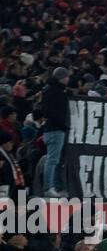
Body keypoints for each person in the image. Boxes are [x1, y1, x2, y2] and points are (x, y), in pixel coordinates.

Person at [39, 66, 70, 196]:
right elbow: (51, 111)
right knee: (52, 160)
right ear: (62, 77)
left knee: (57, 160)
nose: (68, 79)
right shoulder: (53, 91)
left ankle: (56, 186)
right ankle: (49, 187)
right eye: (67, 76)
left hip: (55, 129)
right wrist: (63, 123)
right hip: (55, 129)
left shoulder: (54, 90)